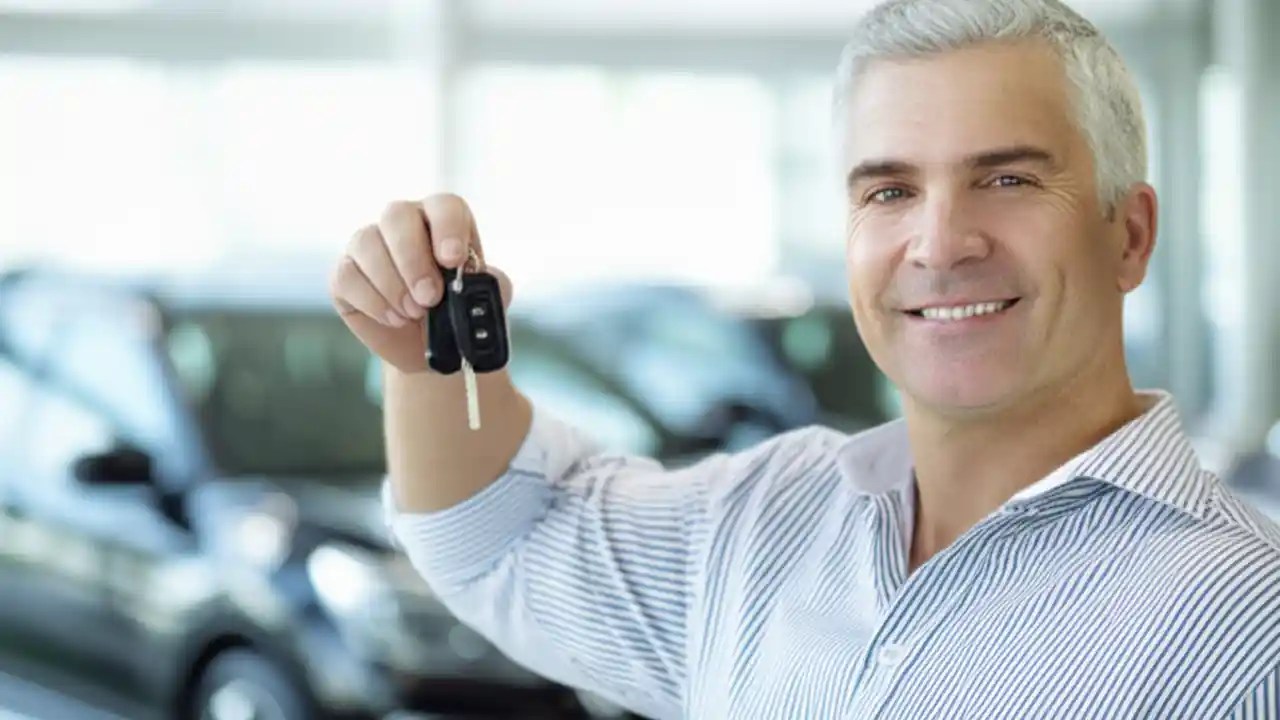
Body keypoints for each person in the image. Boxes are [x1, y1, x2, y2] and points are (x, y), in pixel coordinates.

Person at [329, 0, 1280, 716]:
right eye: (889, 191)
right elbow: (497, 536)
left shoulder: (1251, 624)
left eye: (1007, 178)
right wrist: (427, 358)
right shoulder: (768, 518)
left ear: (1130, 234)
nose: (941, 243)